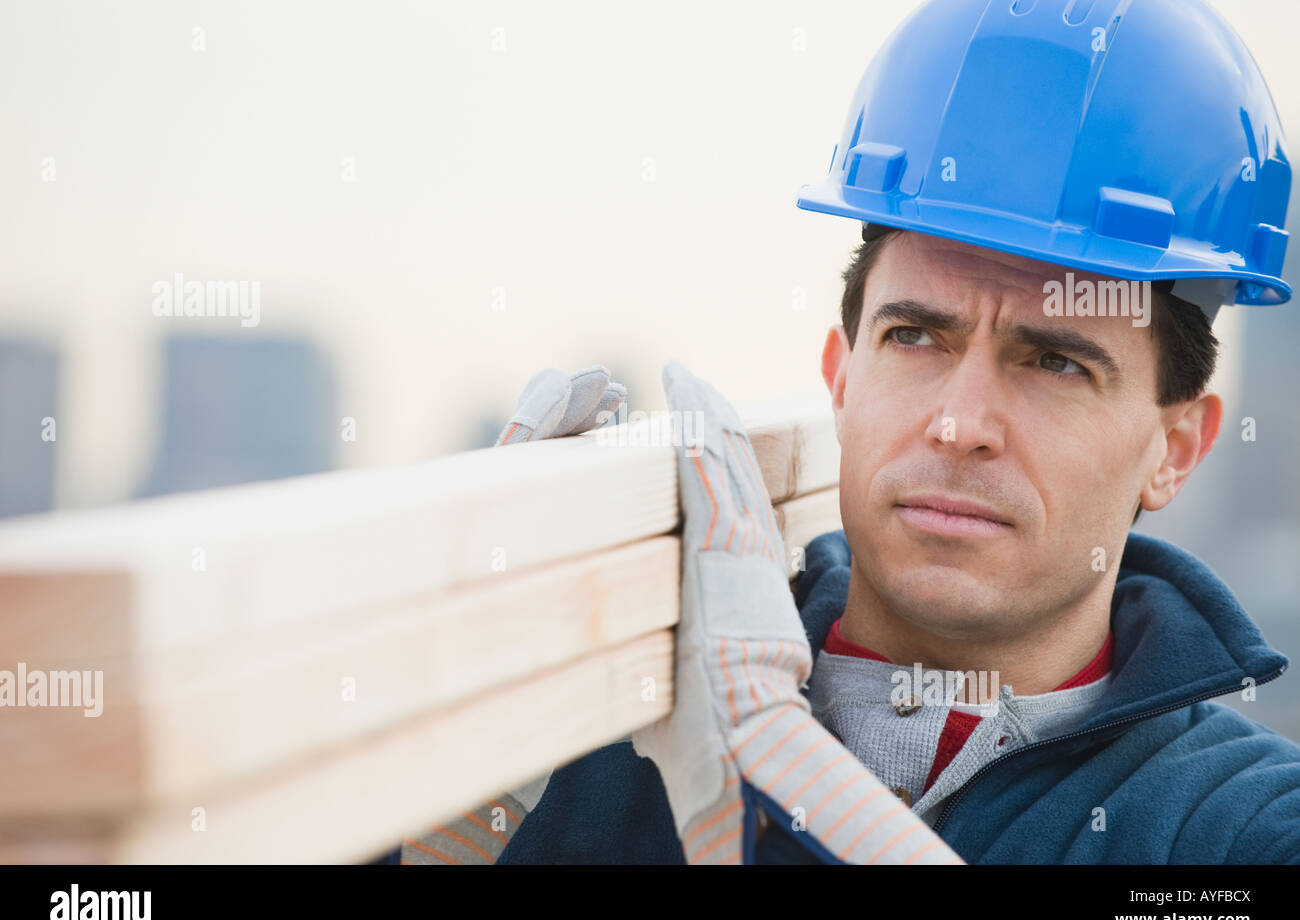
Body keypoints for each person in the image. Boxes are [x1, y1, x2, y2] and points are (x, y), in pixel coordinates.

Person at [400, 0, 1300, 864]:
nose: (958, 424)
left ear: (1175, 448)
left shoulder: (1244, 830)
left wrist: (775, 764)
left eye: (1054, 363)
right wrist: (449, 762)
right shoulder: (594, 745)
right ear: (840, 376)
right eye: (915, 336)